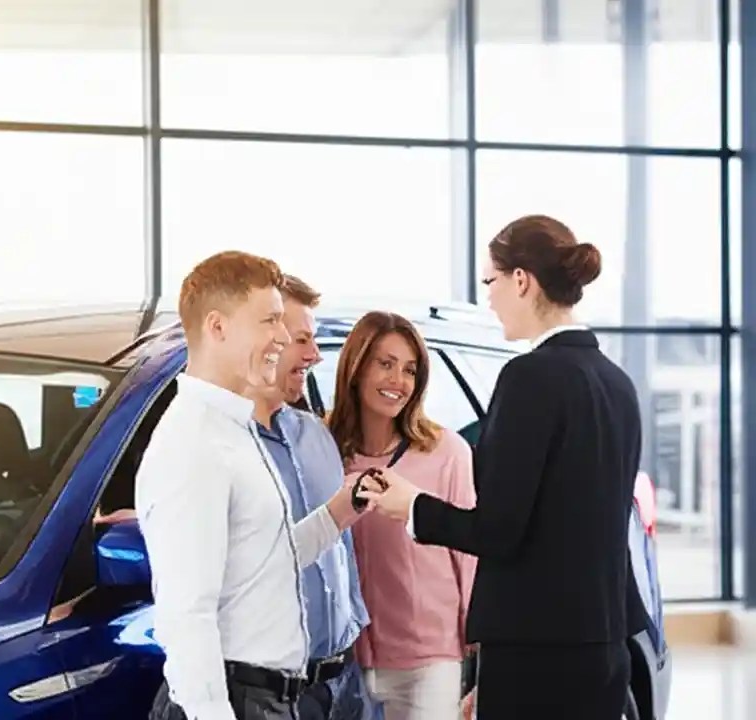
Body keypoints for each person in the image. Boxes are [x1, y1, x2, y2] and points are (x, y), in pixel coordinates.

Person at [358, 214, 648, 720]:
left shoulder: (529, 378)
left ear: (521, 280)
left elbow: (499, 529)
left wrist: (413, 506)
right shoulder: (617, 382)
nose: (488, 299)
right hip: (606, 646)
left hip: (536, 650)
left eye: (489, 281)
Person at [137, 250, 380, 720]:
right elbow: (186, 615)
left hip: (271, 699)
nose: (283, 337)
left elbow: (266, 560)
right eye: (269, 321)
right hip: (236, 699)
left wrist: (338, 513)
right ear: (218, 327)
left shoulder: (236, 430)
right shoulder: (192, 443)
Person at [326, 310, 476, 720]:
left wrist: (479, 645)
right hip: (344, 663)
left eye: (410, 370)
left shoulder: (446, 451)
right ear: (356, 367)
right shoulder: (321, 448)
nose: (398, 381)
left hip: (429, 662)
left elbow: (469, 556)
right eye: (385, 364)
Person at [243, 274, 371, 719]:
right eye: (301, 340)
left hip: (345, 686)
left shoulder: (317, 434)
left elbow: (342, 555)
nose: (315, 355)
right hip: (271, 697)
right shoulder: (223, 450)